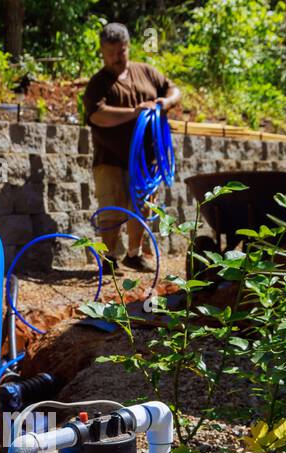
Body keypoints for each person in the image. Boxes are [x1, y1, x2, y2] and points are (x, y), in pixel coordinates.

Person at [83, 22, 181, 270]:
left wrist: (166, 102)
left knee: (142, 207)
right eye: (111, 53)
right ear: (102, 52)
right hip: (110, 159)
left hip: (145, 160)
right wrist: (134, 113)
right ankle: (108, 258)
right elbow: (97, 115)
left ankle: (134, 254)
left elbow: (173, 89)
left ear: (129, 48)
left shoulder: (146, 72)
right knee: (111, 210)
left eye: (122, 51)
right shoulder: (99, 83)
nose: (117, 57)